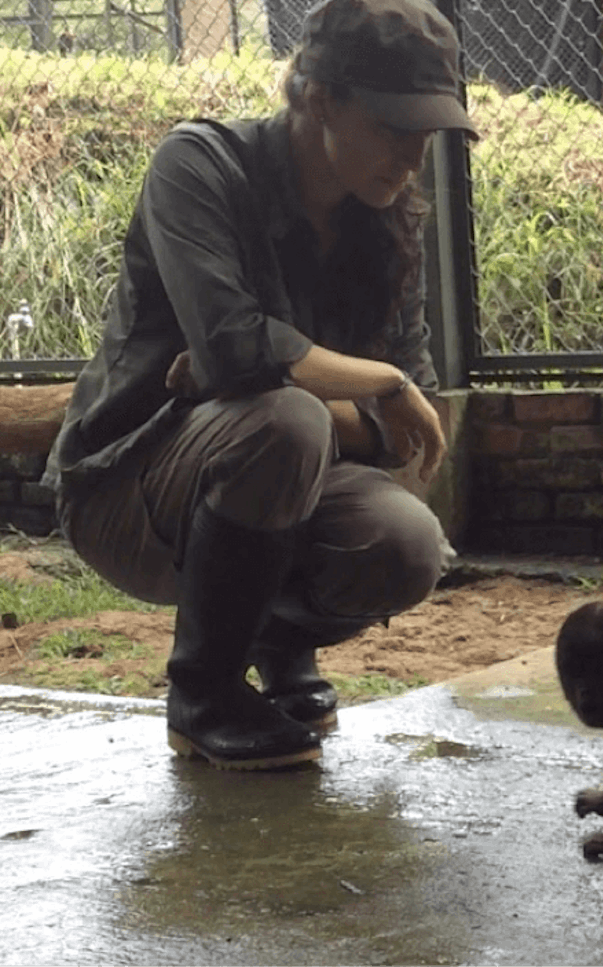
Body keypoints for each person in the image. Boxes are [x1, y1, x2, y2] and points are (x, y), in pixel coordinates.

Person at [41, 0, 478, 770]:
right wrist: (366, 386)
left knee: (408, 545)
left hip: (279, 471)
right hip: (126, 489)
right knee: (285, 422)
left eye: (426, 133)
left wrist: (289, 388)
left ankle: (279, 644)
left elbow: (411, 421)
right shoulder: (199, 165)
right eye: (392, 125)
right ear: (318, 95)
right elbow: (235, 344)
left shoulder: (390, 219)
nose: (413, 156)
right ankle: (203, 694)